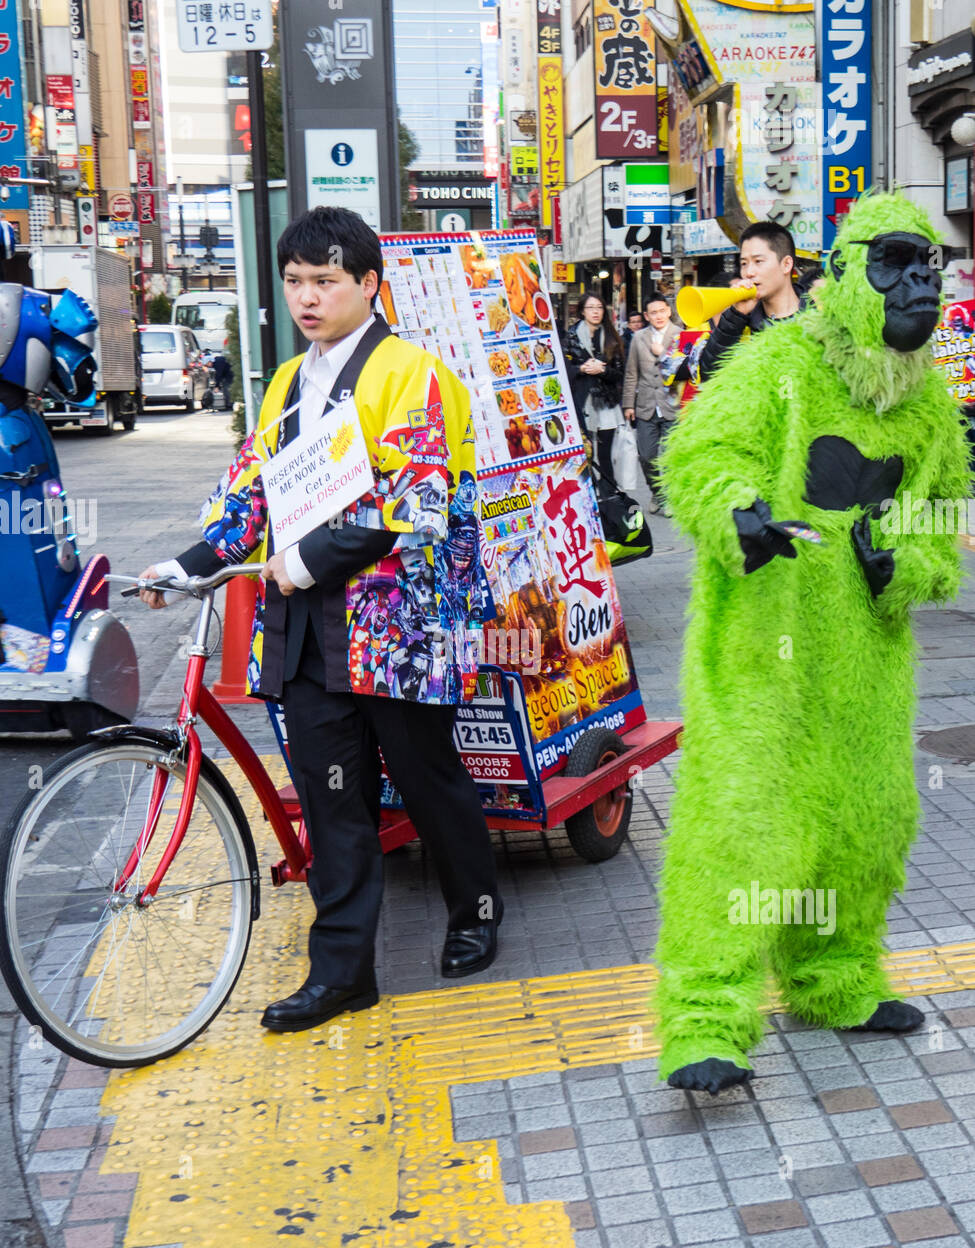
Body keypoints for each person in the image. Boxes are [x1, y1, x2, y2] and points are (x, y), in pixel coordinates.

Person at [137, 206, 502, 1034]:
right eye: (295, 281)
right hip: (306, 633)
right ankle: (342, 973)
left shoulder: (413, 373)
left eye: (325, 281)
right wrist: (188, 566)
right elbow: (249, 495)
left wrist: (300, 562)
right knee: (333, 801)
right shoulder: (284, 384)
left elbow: (415, 501)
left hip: (397, 632)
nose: (307, 297)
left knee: (427, 779)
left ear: (368, 284)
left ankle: (476, 909)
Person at [654, 191, 966, 1094]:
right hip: (762, 647)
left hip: (867, 659)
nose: (915, 283)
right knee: (742, 829)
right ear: (845, 276)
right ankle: (705, 1012)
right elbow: (701, 457)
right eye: (893, 264)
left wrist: (900, 565)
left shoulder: (928, 403)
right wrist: (738, 514)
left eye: (926, 266)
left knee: (867, 821)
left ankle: (833, 978)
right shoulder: (778, 366)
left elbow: (939, 535)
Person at [694, 221, 809, 383]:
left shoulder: (817, 317)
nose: (749, 272)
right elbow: (709, 376)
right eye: (744, 264)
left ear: (786, 264)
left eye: (758, 261)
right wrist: (736, 315)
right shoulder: (741, 322)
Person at [622, 293, 681, 512]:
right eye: (653, 312)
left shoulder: (680, 335)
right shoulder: (639, 338)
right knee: (646, 456)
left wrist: (664, 353)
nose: (658, 316)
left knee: (672, 456)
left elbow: (687, 368)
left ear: (669, 311)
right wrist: (629, 404)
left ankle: (672, 497)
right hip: (646, 405)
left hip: (672, 405)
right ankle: (657, 493)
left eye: (662, 311)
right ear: (646, 315)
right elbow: (631, 373)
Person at [563, 293, 625, 488]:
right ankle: (590, 491)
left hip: (607, 402)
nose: (596, 312)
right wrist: (581, 369)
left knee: (606, 455)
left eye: (599, 307)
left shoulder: (612, 337)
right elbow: (564, 370)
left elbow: (620, 373)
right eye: (591, 308)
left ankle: (609, 494)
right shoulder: (571, 337)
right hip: (582, 401)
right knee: (586, 451)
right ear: (582, 311)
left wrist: (603, 370)